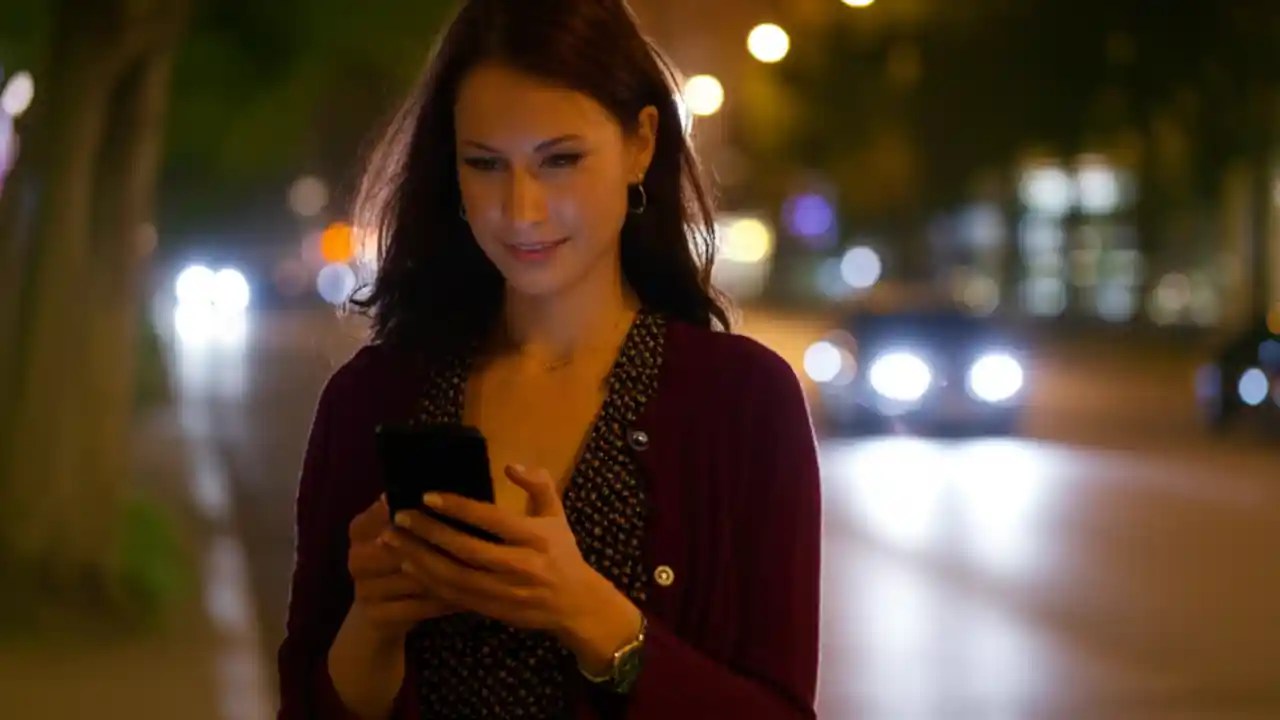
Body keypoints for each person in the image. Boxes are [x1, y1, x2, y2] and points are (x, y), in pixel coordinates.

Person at [276, 0, 821, 717]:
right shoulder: (372, 396)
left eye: (560, 160)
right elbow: (308, 703)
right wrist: (375, 622)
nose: (522, 208)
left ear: (640, 143)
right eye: (485, 164)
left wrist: (591, 615)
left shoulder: (743, 400)